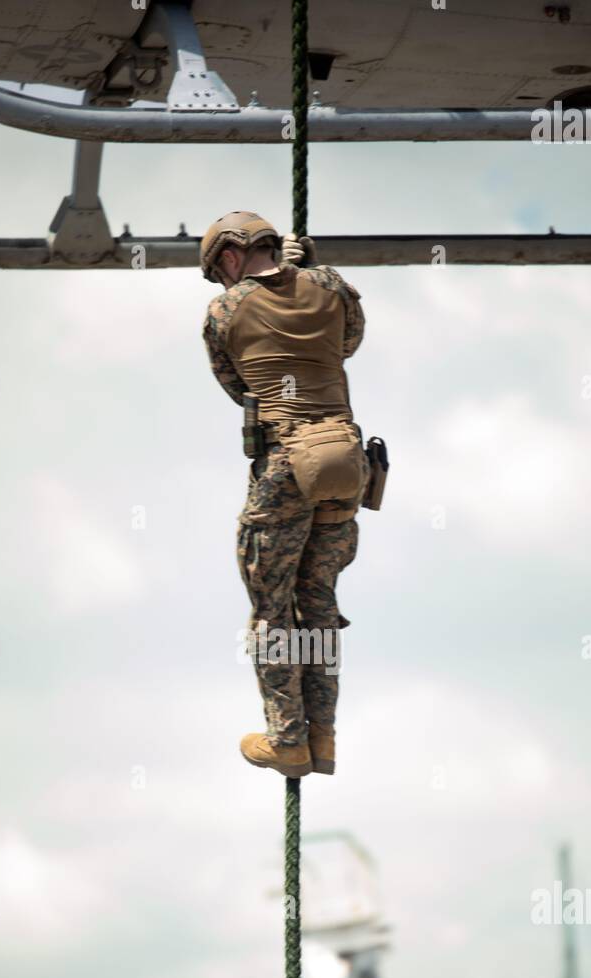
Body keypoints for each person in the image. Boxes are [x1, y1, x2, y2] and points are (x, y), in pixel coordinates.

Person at [201, 211, 367, 777]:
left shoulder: (226, 308)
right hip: (348, 459)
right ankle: (323, 737)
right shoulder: (331, 286)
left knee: (274, 610)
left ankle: (287, 739)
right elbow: (348, 342)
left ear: (228, 257)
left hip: (287, 464)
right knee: (317, 601)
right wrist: (305, 276)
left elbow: (236, 383)